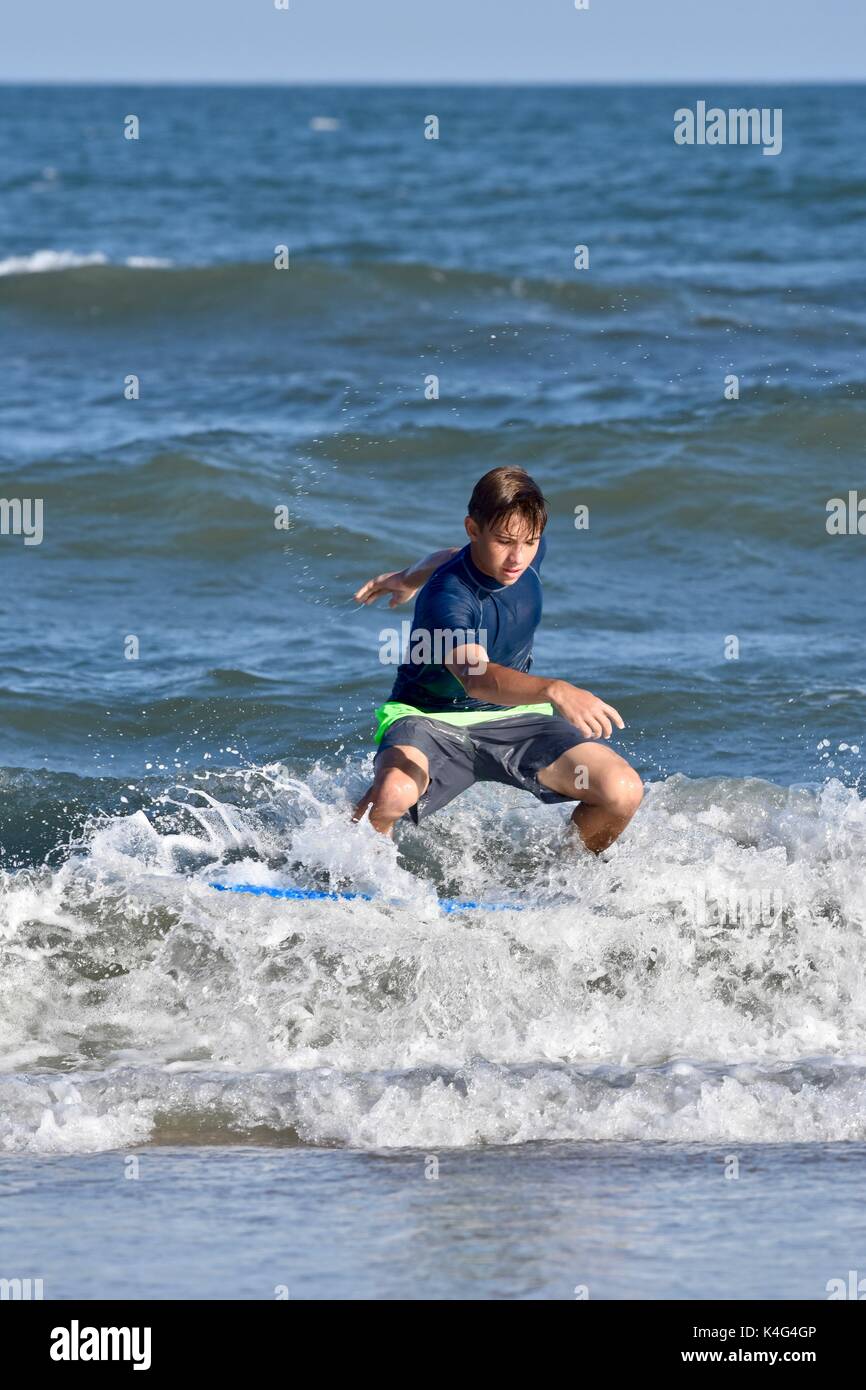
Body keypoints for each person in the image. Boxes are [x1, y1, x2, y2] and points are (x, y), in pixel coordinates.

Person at [351, 466, 643, 854]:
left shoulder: (520, 548)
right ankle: (344, 866)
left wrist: (407, 576)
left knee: (621, 791)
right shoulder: (447, 599)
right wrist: (555, 689)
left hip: (513, 716)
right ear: (473, 529)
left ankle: (562, 878)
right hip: (429, 720)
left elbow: (448, 555)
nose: (517, 558)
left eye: (530, 541)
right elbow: (477, 678)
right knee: (392, 793)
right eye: (504, 541)